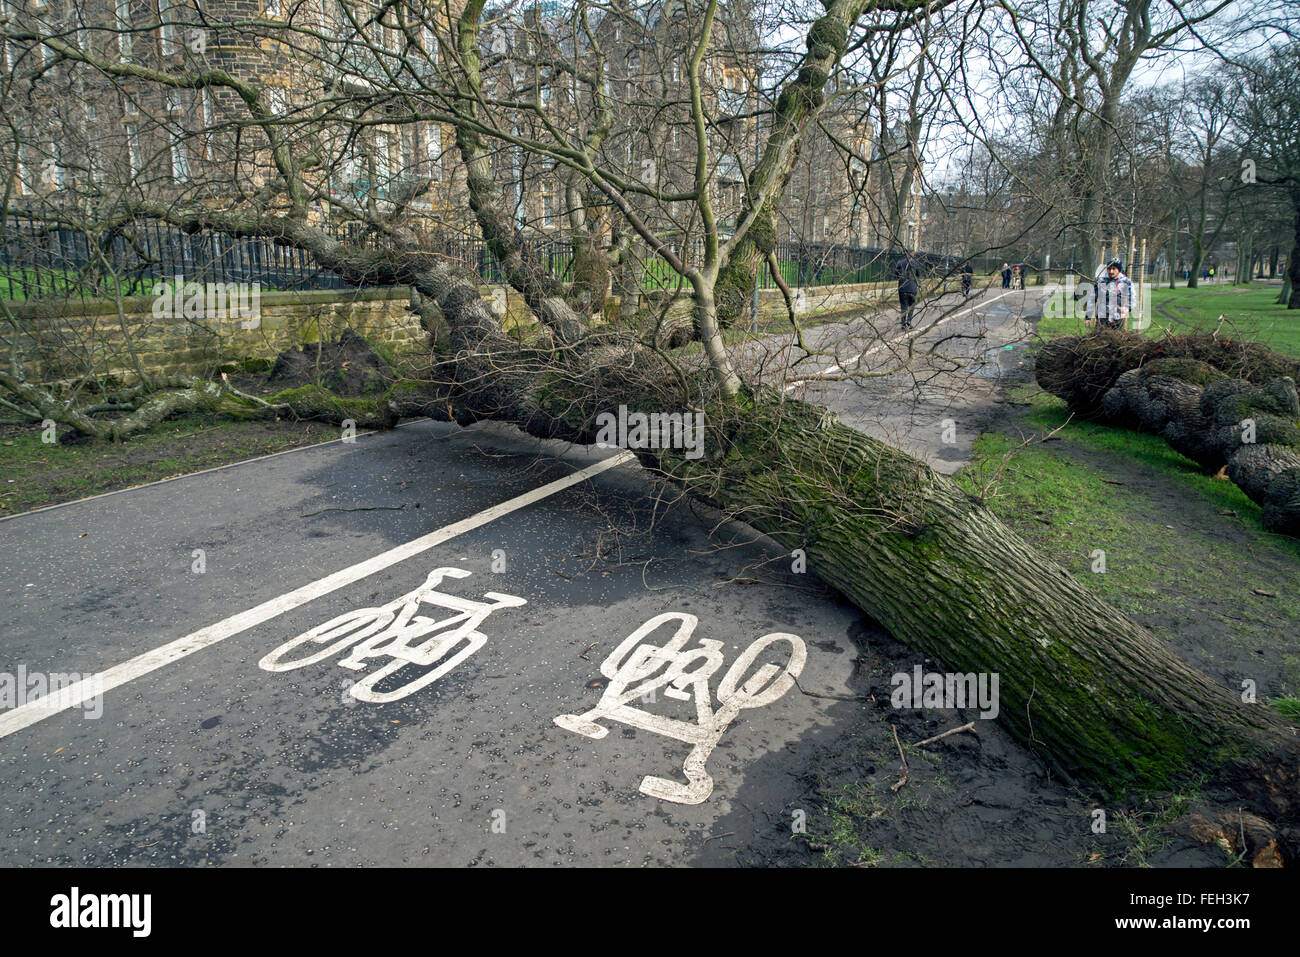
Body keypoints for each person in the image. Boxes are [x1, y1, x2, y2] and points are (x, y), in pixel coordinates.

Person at [1094, 258, 1133, 329]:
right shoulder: (1101, 282)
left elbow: (1132, 297)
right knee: (1100, 338)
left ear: (1119, 270)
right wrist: (1088, 317)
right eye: (1109, 269)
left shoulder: (1126, 282)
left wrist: (1128, 307)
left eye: (1114, 268)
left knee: (1117, 338)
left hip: (1118, 318)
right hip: (1102, 318)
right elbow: (1092, 298)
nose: (1111, 271)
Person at [893, 248, 921, 329]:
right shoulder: (915, 263)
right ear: (913, 254)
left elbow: (896, 276)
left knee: (903, 306)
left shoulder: (900, 263)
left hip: (902, 288)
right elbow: (918, 275)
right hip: (912, 288)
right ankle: (908, 321)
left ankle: (903, 323)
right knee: (911, 305)